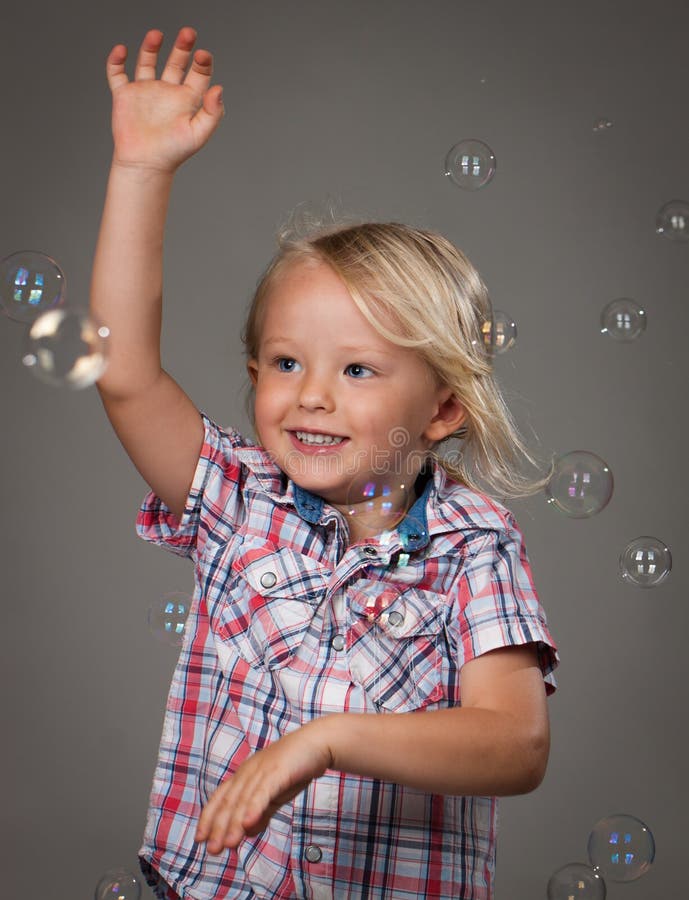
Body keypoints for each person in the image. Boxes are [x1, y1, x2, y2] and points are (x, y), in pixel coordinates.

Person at [91, 25, 559, 900]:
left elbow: (515, 744)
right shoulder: (235, 499)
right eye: (285, 362)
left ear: (444, 407)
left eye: (356, 369)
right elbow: (123, 373)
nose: (311, 395)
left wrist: (328, 737)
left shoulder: (475, 547)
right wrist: (141, 172)